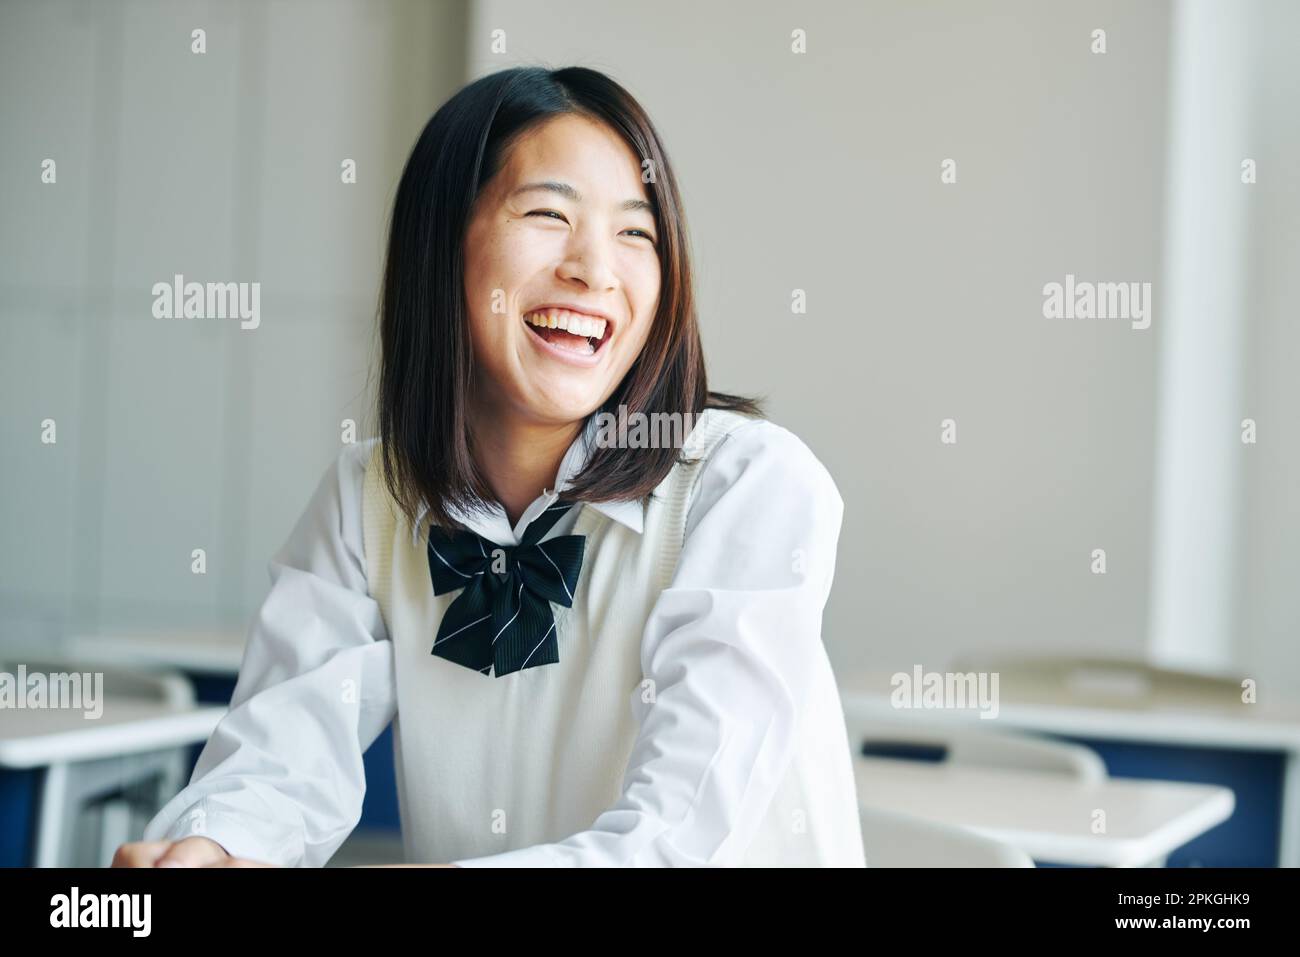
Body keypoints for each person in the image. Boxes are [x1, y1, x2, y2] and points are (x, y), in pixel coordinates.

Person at [113, 66, 864, 868]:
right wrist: (218, 842)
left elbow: (675, 842)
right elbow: (279, 756)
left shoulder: (749, 485)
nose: (595, 269)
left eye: (636, 234)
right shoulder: (370, 498)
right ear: (443, 245)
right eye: (548, 214)